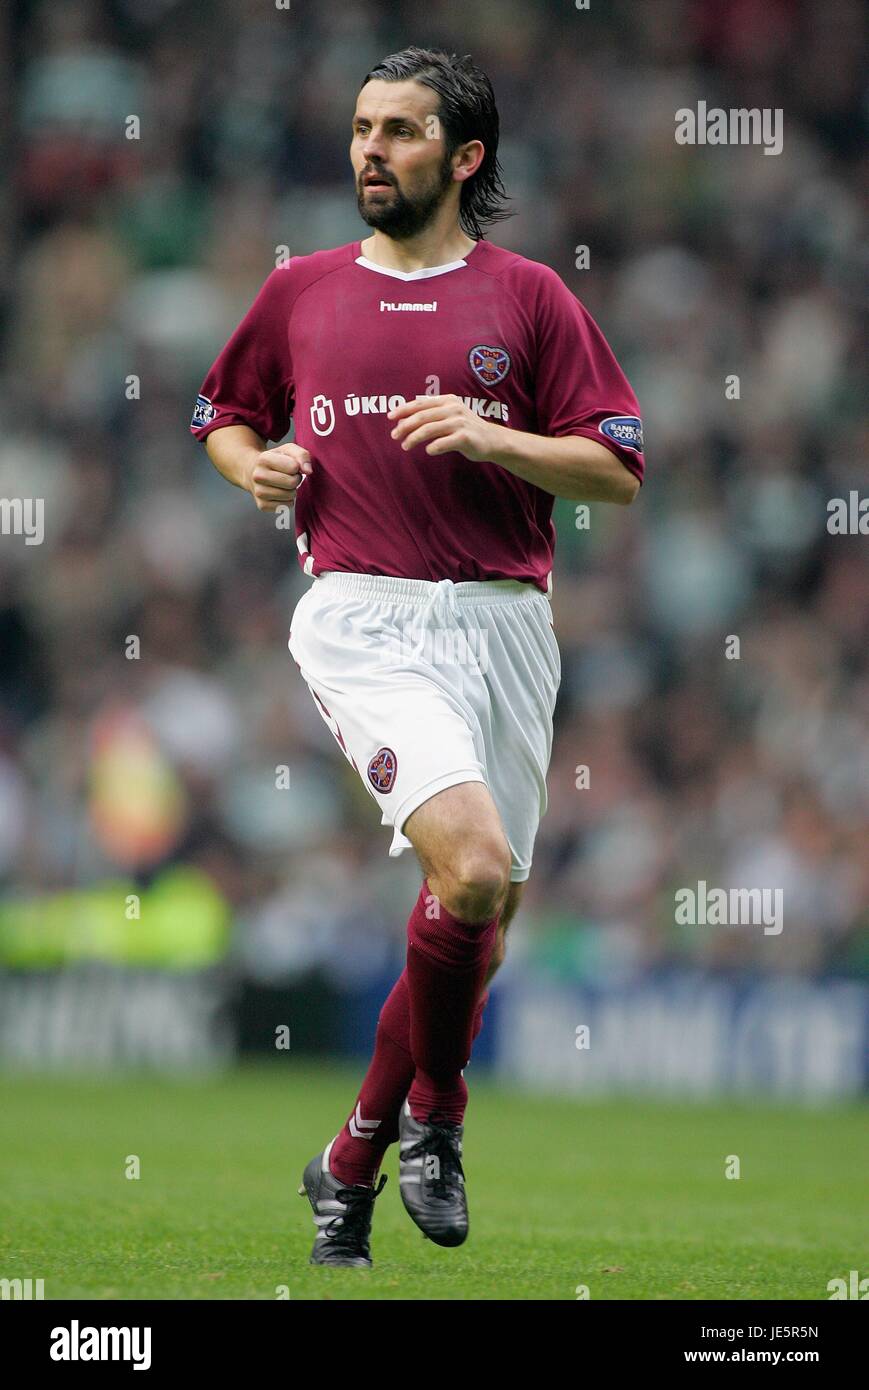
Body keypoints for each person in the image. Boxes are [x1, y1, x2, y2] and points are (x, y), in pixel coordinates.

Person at [190, 46, 644, 1269]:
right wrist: (254, 470)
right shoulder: (303, 291)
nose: (368, 151)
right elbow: (221, 415)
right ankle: (438, 1116)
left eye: (397, 130)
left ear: (463, 156)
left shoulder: (531, 297)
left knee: (471, 912)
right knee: (479, 869)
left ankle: (347, 1159)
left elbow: (616, 465)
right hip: (362, 617)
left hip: (502, 626)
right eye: (359, 128)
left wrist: (497, 441)